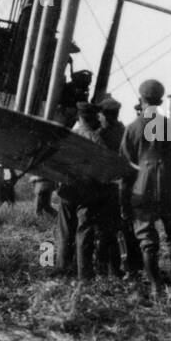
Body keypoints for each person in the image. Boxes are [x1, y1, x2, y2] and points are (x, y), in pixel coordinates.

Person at [119, 79, 171, 297]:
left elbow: (125, 169)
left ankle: (156, 287)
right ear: (160, 101)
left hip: (143, 190)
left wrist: (123, 201)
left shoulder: (132, 128)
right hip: (170, 189)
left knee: (147, 242)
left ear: (141, 100)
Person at [57, 102, 113, 280]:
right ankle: (84, 276)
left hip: (67, 190)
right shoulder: (96, 139)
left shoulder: (68, 136)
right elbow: (103, 167)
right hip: (87, 191)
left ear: (79, 117)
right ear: (94, 117)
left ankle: (62, 271)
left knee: (64, 231)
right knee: (84, 232)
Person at [97, 97, 141, 276]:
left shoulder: (100, 134)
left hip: (109, 188)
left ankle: (110, 269)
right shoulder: (125, 130)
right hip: (127, 187)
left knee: (106, 231)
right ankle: (133, 267)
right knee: (128, 229)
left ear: (104, 115)